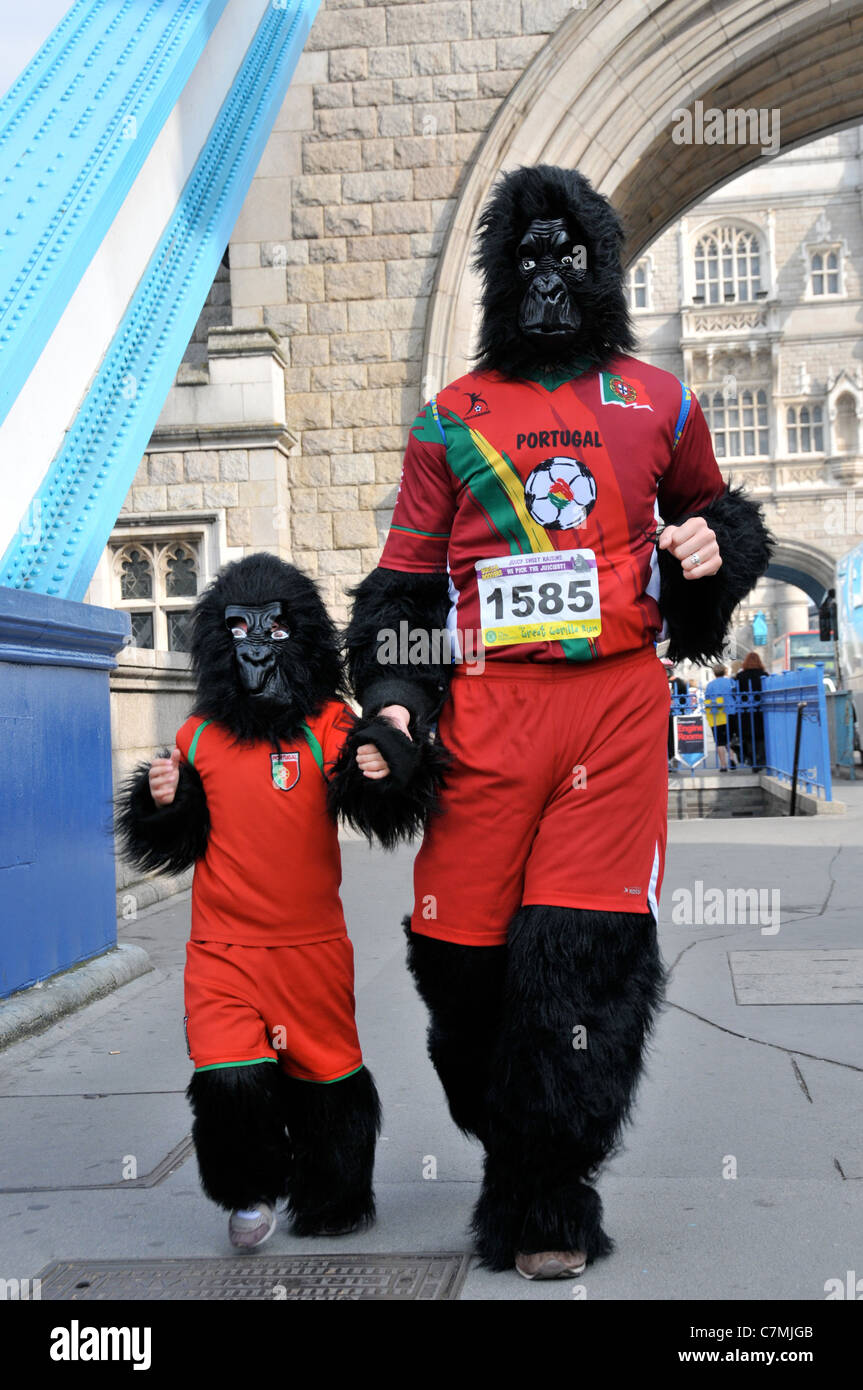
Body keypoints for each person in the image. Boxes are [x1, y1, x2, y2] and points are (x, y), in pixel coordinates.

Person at [332, 165, 773, 1279]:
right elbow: (400, 589)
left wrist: (715, 555)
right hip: (485, 713)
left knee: (577, 952)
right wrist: (392, 703)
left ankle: (548, 1191)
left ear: (600, 272)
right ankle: (509, 1143)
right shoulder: (448, 421)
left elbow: (715, 520)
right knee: (457, 955)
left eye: (565, 258)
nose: (544, 278)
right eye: (523, 260)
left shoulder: (659, 403)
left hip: (612, 712)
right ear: (496, 278)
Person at [117, 554, 404, 1250]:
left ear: (298, 637)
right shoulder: (197, 737)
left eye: (271, 630)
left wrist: (382, 763)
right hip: (222, 953)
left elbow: (380, 802)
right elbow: (172, 844)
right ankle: (245, 1191)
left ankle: (332, 1195)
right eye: (240, 628)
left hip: (311, 954)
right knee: (228, 1076)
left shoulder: (330, 722)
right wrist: (163, 801)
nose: (254, 644)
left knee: (327, 1078)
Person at [734, 650, 768, 769]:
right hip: (761, 709)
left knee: (749, 736)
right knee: (761, 736)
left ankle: (752, 759)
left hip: (746, 710)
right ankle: (762, 760)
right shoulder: (764, 675)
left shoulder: (740, 676)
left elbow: (735, 693)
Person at [704, 663, 737, 769]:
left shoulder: (710, 685)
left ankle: (723, 765)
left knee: (719, 741)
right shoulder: (731, 682)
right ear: (725, 671)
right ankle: (731, 758)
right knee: (729, 738)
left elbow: (707, 700)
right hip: (730, 712)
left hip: (717, 714)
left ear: (714, 673)